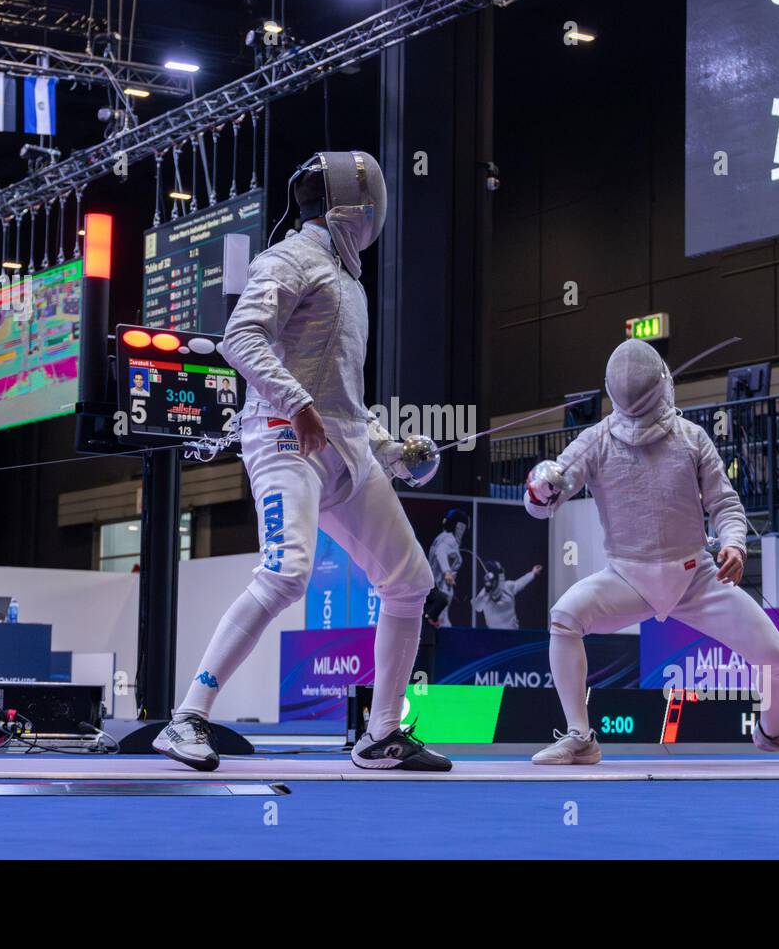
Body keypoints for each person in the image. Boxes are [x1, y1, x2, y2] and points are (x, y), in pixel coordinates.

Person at [154, 151, 450, 773]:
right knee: (288, 572)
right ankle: (187, 718)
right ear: (356, 206)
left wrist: (391, 448)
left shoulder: (348, 279)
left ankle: (381, 735)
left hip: (341, 444)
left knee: (410, 582)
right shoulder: (289, 258)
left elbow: (342, 393)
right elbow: (241, 337)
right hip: (283, 433)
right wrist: (296, 402)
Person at [523, 338, 779, 765]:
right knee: (564, 618)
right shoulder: (595, 442)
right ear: (663, 384)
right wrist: (540, 493)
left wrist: (735, 545)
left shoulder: (691, 439)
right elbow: (549, 498)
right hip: (628, 577)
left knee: (778, 658)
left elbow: (725, 504)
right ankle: (581, 737)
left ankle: (772, 730)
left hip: (696, 577)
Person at [427, 508, 468, 626]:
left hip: (438, 593)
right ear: (459, 527)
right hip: (440, 595)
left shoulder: (441, 538)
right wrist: (447, 572)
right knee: (442, 626)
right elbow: (441, 552)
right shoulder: (449, 540)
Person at [472, 561, 542, 629]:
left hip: (512, 632)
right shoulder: (485, 593)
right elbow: (477, 607)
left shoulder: (508, 586)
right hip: (493, 635)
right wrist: (487, 591)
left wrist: (533, 573)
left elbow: (520, 582)